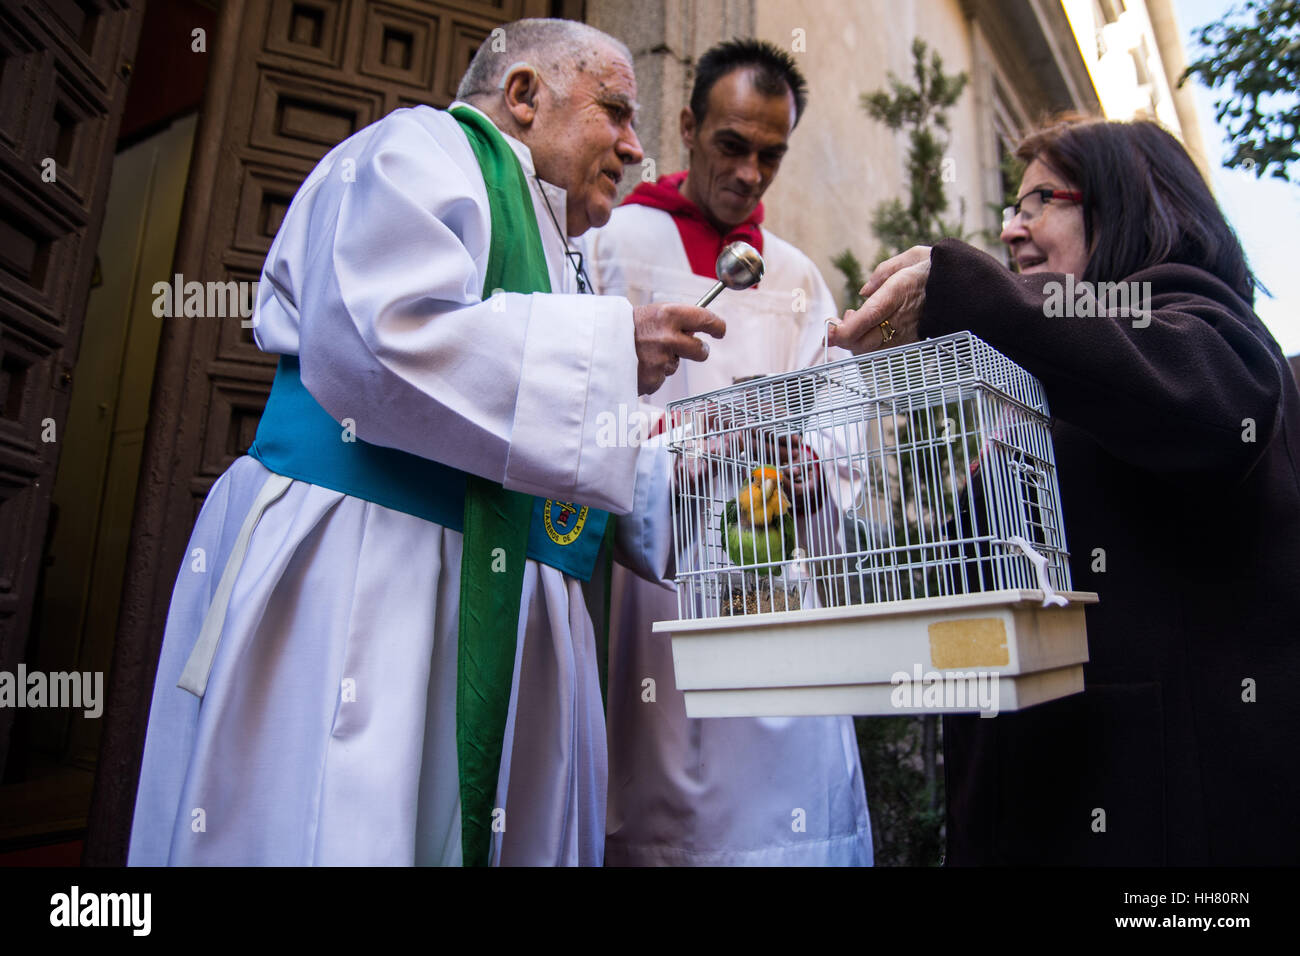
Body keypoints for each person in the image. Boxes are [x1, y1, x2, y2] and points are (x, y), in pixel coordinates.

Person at [127, 18, 726, 867]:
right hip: (373, 577)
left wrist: (703, 479)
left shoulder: (575, 256)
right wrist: (606, 349)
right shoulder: (418, 150)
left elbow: (568, 445)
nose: (636, 147)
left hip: (505, 597)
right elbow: (382, 336)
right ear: (523, 95)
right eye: (618, 112)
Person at [829, 116, 1300, 865]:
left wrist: (966, 292)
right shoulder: (1075, 380)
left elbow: (1212, 402)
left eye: (1039, 201)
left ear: (1123, 204)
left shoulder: (1203, 322)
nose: (1013, 231)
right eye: (1011, 209)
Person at [584, 39, 873, 866]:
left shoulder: (797, 277)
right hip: (645, 589)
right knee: (642, 800)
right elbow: (568, 400)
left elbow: (841, 409)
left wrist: (809, 465)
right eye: (732, 146)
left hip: (766, 587)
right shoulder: (612, 243)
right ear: (687, 126)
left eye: (771, 156)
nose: (750, 175)